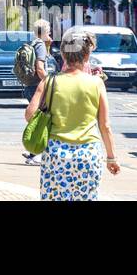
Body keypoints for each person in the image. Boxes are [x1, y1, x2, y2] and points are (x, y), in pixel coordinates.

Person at [25, 29, 120, 201]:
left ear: (62, 53)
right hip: (88, 154)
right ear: (86, 56)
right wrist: (111, 158)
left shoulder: (50, 81)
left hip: (56, 154)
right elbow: (105, 125)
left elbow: (30, 115)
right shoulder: (96, 83)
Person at [21, 20, 54, 165]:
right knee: (41, 121)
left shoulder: (33, 42)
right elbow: (40, 68)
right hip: (37, 87)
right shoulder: (40, 45)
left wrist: (48, 45)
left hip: (29, 86)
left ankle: (33, 151)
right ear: (45, 31)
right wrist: (50, 83)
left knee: (37, 120)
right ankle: (35, 153)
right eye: (49, 31)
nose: (51, 33)